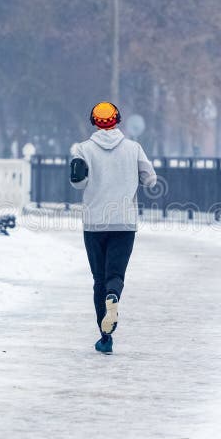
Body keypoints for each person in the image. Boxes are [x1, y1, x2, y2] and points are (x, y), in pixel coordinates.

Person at [70, 102, 157, 354]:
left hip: (94, 224)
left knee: (98, 279)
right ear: (117, 120)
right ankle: (114, 295)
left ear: (94, 122)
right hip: (124, 223)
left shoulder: (83, 149)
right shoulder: (134, 148)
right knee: (114, 275)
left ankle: (105, 337)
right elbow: (150, 178)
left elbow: (78, 183)